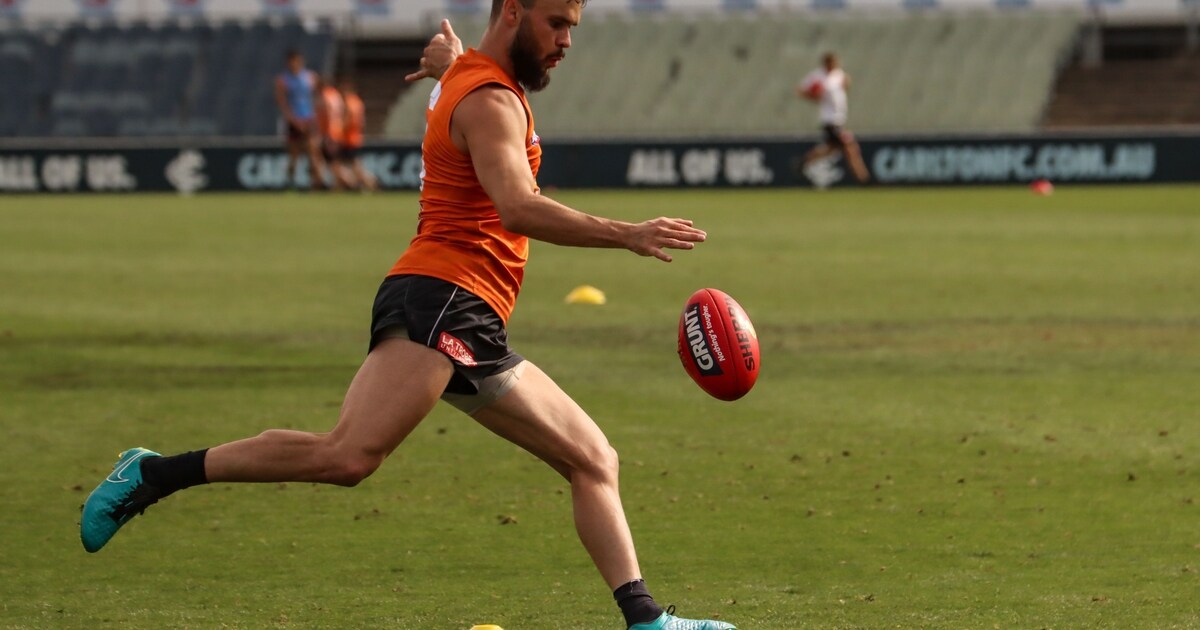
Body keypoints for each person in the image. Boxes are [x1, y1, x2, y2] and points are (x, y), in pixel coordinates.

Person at [80, 3, 735, 630]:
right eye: (557, 23)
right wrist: (626, 232)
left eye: (573, 26)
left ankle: (647, 620)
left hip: (464, 310)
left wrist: (450, 59)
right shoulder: (490, 100)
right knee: (347, 456)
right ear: (512, 11)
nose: (567, 40)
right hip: (442, 297)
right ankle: (152, 474)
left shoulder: (475, 80)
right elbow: (517, 206)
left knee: (593, 458)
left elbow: (470, 84)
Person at [796, 52, 870, 187]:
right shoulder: (817, 76)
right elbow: (801, 91)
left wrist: (846, 84)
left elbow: (846, 82)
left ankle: (805, 161)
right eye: (833, 63)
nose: (836, 65)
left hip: (840, 119)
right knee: (850, 147)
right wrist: (814, 96)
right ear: (826, 64)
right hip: (830, 121)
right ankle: (864, 179)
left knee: (831, 149)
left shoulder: (838, 74)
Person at [274, 49, 325, 191]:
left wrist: (315, 114)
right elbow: (282, 103)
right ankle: (290, 182)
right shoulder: (283, 80)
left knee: (313, 151)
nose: (295, 64)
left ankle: (316, 183)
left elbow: (319, 96)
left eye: (297, 61)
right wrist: (293, 120)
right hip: (294, 122)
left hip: (309, 119)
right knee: (294, 155)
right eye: (292, 61)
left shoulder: (310, 77)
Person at [338, 76, 379, 191]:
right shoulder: (358, 102)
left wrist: (339, 131)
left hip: (348, 139)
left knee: (342, 166)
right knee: (353, 166)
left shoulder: (348, 103)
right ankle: (366, 183)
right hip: (356, 137)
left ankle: (370, 183)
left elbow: (347, 121)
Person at [314, 74, 354, 191]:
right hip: (337, 132)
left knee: (331, 162)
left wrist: (325, 134)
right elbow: (344, 112)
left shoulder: (325, 96)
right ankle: (338, 184)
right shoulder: (335, 95)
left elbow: (326, 116)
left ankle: (350, 182)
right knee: (332, 161)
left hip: (329, 134)